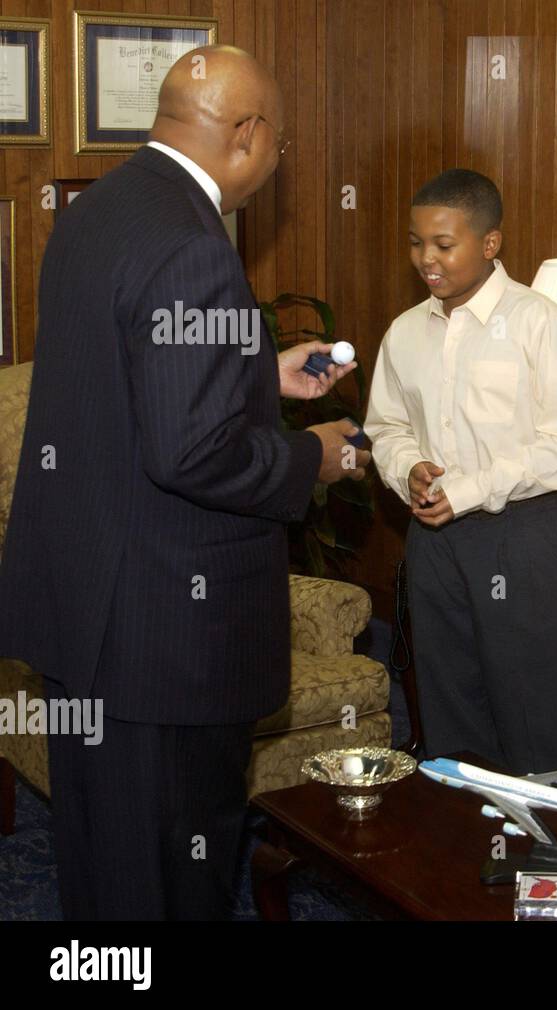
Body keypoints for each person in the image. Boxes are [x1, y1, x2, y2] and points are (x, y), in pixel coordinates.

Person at [0, 46, 367, 919]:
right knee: (174, 878)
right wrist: (312, 458)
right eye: (278, 150)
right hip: (167, 637)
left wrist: (252, 370)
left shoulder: (102, 207)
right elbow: (192, 454)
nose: (274, 170)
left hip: (90, 613)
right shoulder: (191, 246)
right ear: (245, 133)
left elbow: (125, 380)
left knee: (106, 865)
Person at [365, 169, 557, 776]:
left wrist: (467, 490)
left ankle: (550, 860)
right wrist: (407, 468)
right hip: (434, 541)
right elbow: (387, 427)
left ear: (489, 244)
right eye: (416, 242)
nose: (426, 259)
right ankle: (465, 854)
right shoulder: (405, 331)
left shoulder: (538, 322)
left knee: (530, 709)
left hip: (520, 536)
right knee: (447, 705)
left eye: (444, 244)